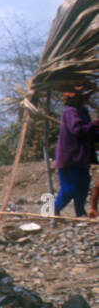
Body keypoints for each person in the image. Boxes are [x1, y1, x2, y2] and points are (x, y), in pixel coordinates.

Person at [55, 85, 99, 218]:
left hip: (82, 158)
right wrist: (95, 124)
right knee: (69, 188)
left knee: (83, 186)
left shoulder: (83, 112)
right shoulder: (70, 112)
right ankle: (53, 210)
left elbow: (89, 133)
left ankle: (80, 213)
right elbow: (78, 130)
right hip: (70, 157)